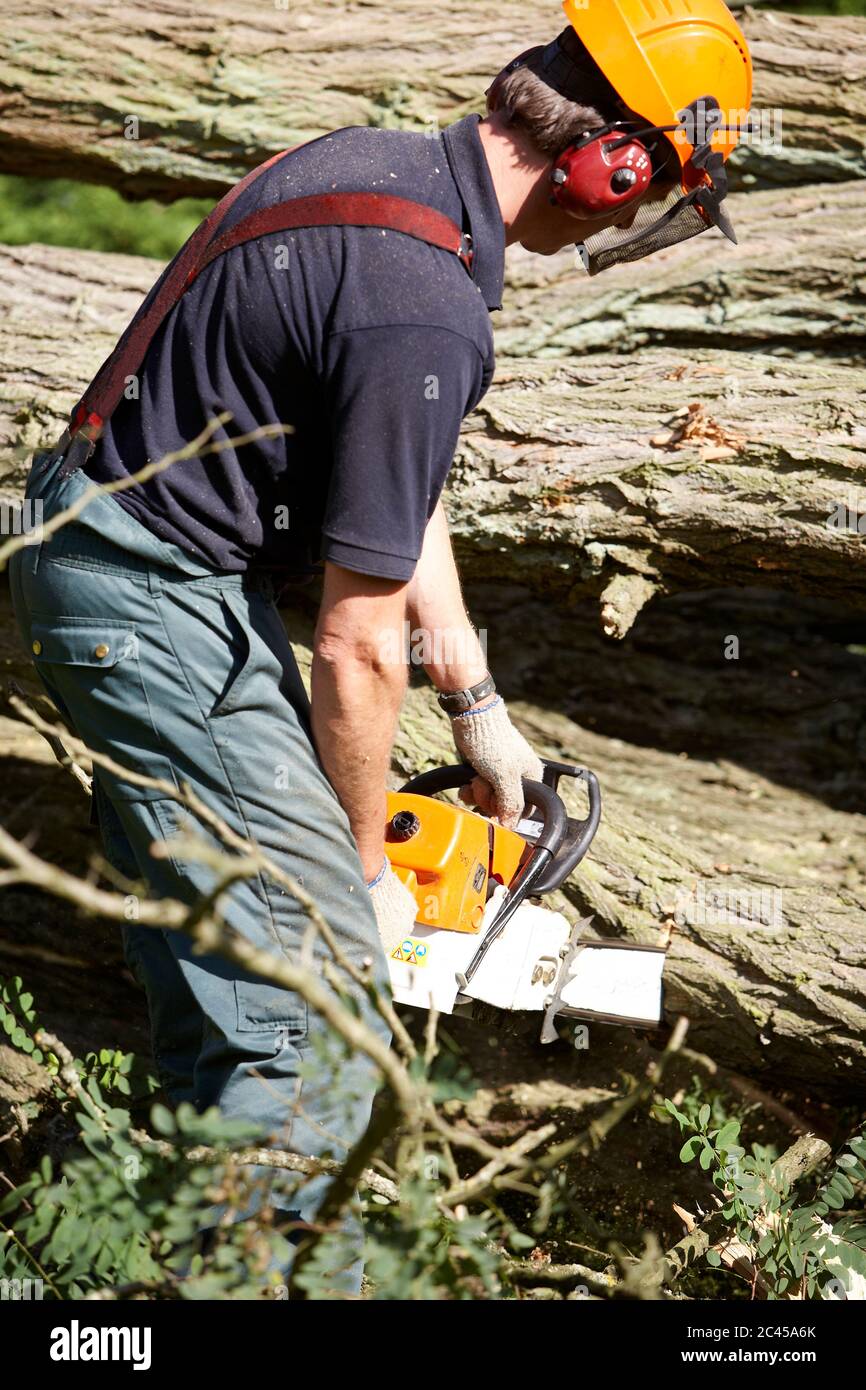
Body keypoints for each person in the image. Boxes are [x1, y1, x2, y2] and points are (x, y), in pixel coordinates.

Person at [9, 1, 752, 1294]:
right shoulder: (426, 300)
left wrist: (474, 703)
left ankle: (168, 1275)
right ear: (612, 158)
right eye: (652, 188)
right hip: (152, 592)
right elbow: (355, 648)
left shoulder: (393, 178)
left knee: (237, 1007)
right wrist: (357, 880)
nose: (633, 218)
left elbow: (396, 491)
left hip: (129, 568)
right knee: (323, 1003)